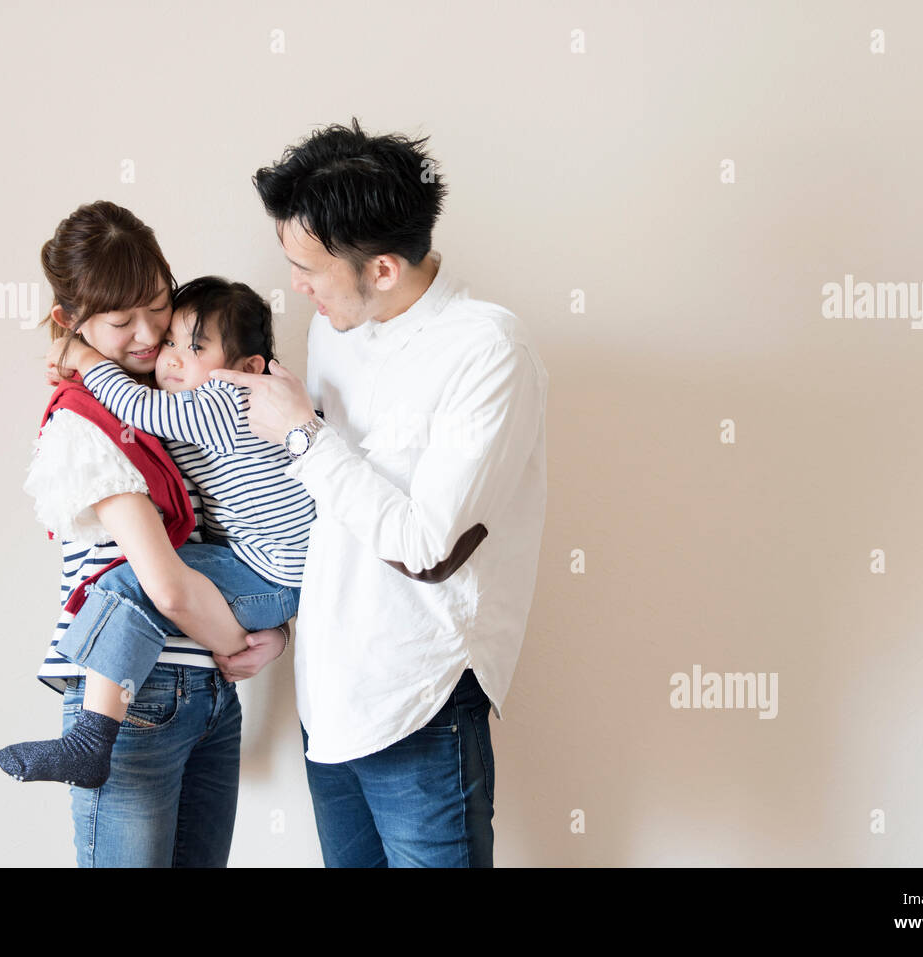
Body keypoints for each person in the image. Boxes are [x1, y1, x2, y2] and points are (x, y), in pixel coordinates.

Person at [210, 119, 549, 867]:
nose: (295, 285)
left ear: (384, 268)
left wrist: (302, 436)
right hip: (326, 696)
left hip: (419, 699)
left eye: (308, 267)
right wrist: (287, 618)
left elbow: (427, 545)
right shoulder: (337, 330)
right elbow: (336, 512)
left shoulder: (487, 351)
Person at [9, 200, 288, 866]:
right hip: (135, 701)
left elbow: (234, 544)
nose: (145, 333)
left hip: (209, 699)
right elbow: (165, 586)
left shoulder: (177, 413)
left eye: (157, 306)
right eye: (119, 319)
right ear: (70, 323)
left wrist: (275, 627)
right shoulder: (86, 422)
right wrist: (244, 643)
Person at [0, 276, 313, 788]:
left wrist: (85, 359)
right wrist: (267, 636)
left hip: (263, 579)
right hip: (251, 595)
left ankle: (88, 742)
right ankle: (90, 737)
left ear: (248, 370)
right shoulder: (108, 416)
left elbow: (142, 410)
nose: (169, 356)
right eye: (171, 342)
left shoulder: (224, 402)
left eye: (194, 347)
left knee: (123, 584)